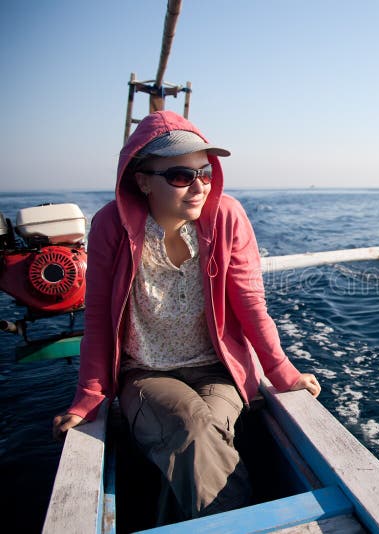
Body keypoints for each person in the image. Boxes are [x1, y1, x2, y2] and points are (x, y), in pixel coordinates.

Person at [52, 110, 320, 521]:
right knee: (193, 429)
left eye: (205, 172)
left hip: (218, 370)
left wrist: (283, 373)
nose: (198, 186)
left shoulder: (227, 216)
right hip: (146, 373)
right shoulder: (110, 225)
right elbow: (99, 321)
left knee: (203, 431)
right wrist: (89, 397)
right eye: (180, 175)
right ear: (142, 180)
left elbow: (251, 304)